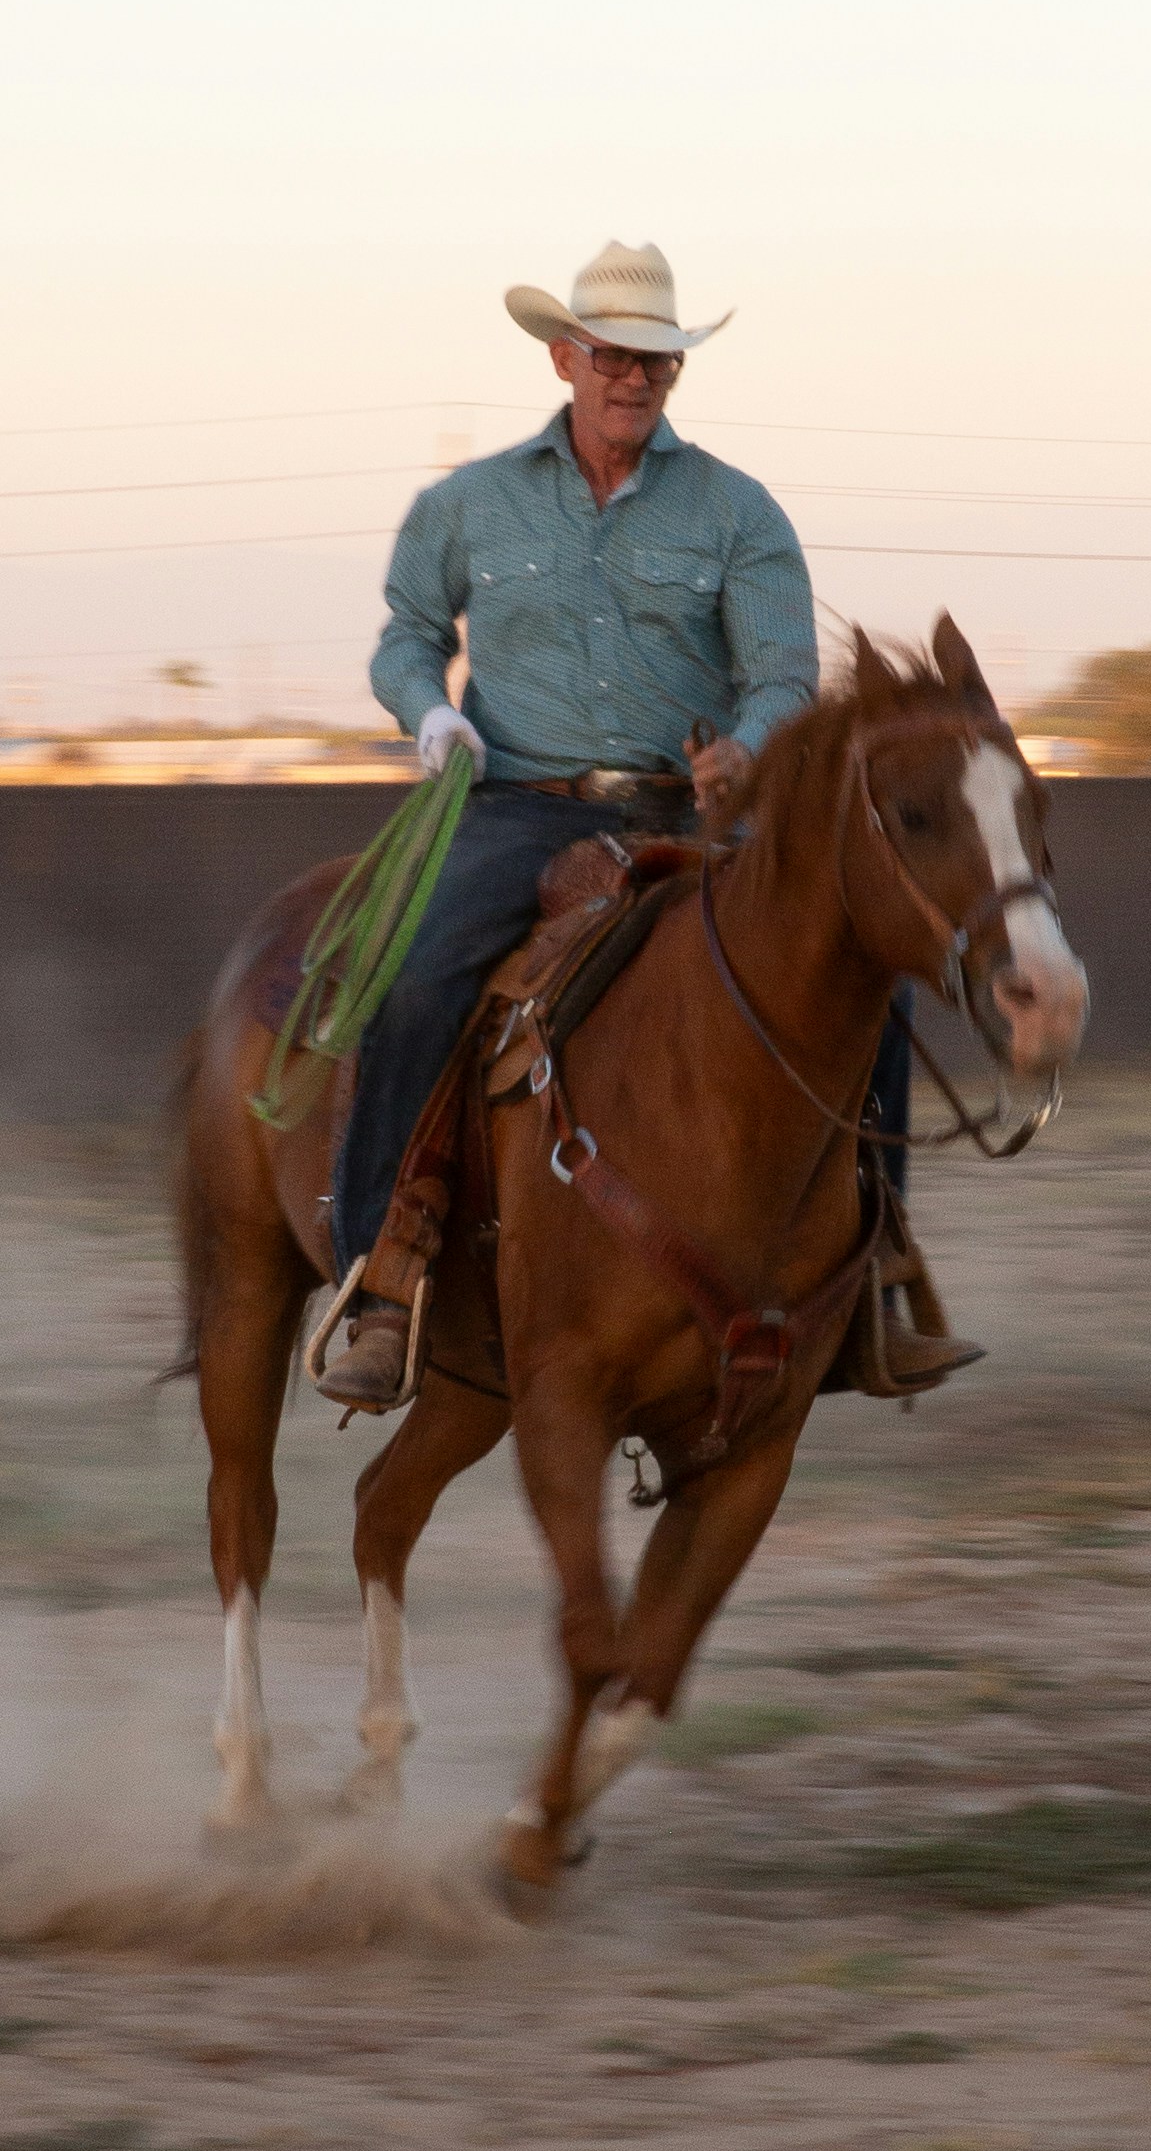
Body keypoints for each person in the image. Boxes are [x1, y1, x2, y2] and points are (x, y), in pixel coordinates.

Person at [307, 237, 971, 1412]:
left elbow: (780, 673)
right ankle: (383, 1279)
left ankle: (877, 1278)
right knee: (414, 984)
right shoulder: (467, 504)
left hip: (689, 813)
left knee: (870, 979)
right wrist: (427, 717)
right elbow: (405, 636)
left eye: (656, 363)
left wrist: (748, 751)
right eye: (613, 356)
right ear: (565, 357)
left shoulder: (738, 512)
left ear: (674, 375)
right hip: (517, 804)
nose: (634, 380)